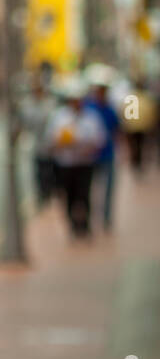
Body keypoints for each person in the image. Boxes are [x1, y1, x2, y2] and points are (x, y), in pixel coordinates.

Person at [46, 79, 104, 238]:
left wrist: (87, 147)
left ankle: (85, 225)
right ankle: (72, 225)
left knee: (84, 194)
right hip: (66, 164)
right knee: (69, 195)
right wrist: (61, 144)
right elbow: (51, 140)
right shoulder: (59, 117)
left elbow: (100, 139)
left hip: (85, 164)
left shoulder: (92, 117)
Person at [85, 82, 120, 230]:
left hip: (107, 155)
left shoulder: (110, 109)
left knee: (108, 188)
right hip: (91, 156)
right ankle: (90, 217)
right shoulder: (89, 109)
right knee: (90, 188)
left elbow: (117, 130)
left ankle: (106, 217)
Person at [19, 74, 58, 206]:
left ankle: (49, 192)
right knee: (39, 170)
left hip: (51, 144)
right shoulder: (28, 105)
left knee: (50, 170)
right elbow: (25, 122)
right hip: (37, 144)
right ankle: (42, 194)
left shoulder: (50, 103)